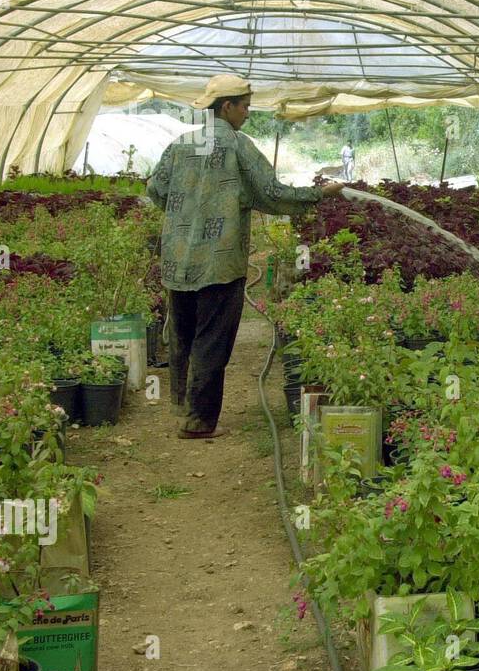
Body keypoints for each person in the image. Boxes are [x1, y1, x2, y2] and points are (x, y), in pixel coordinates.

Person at [146, 75, 343, 439]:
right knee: (212, 338)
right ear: (227, 107)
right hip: (219, 261)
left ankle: (182, 405)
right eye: (245, 106)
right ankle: (199, 420)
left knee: (183, 333)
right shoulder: (238, 146)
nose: (248, 113)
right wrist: (319, 194)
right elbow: (271, 193)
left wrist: (187, 211)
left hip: (177, 260)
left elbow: (155, 191)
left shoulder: (179, 145)